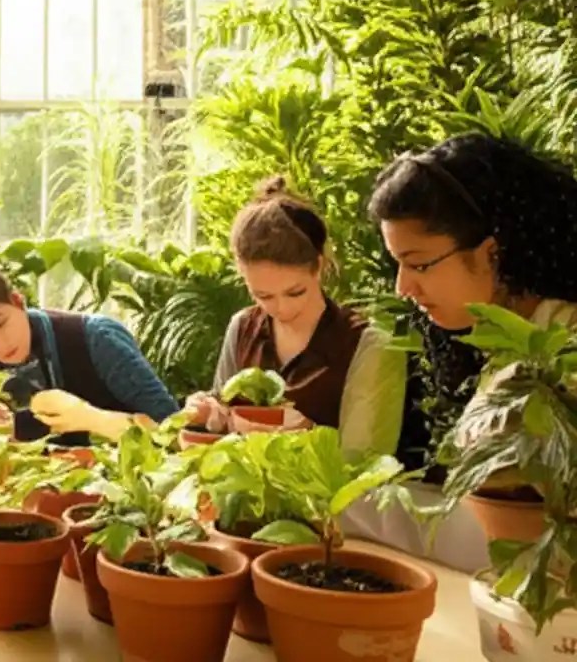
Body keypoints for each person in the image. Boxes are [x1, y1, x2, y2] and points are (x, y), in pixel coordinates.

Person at [355, 133, 577, 572]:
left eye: (418, 264)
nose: (403, 287)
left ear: (492, 252)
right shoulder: (518, 341)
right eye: (397, 265)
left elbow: (498, 538)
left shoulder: (559, 362)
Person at [186, 177, 406, 458]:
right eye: (263, 296)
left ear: (319, 266)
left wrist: (308, 436)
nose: (282, 309)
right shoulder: (243, 328)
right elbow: (219, 427)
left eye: (295, 292)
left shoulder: (365, 343)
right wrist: (206, 412)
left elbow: (366, 463)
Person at [0, 266, 180, 445]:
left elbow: (171, 427)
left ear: (18, 301)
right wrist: (1, 427)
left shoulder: (96, 338)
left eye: (1, 323)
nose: (0, 343)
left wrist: (94, 419)